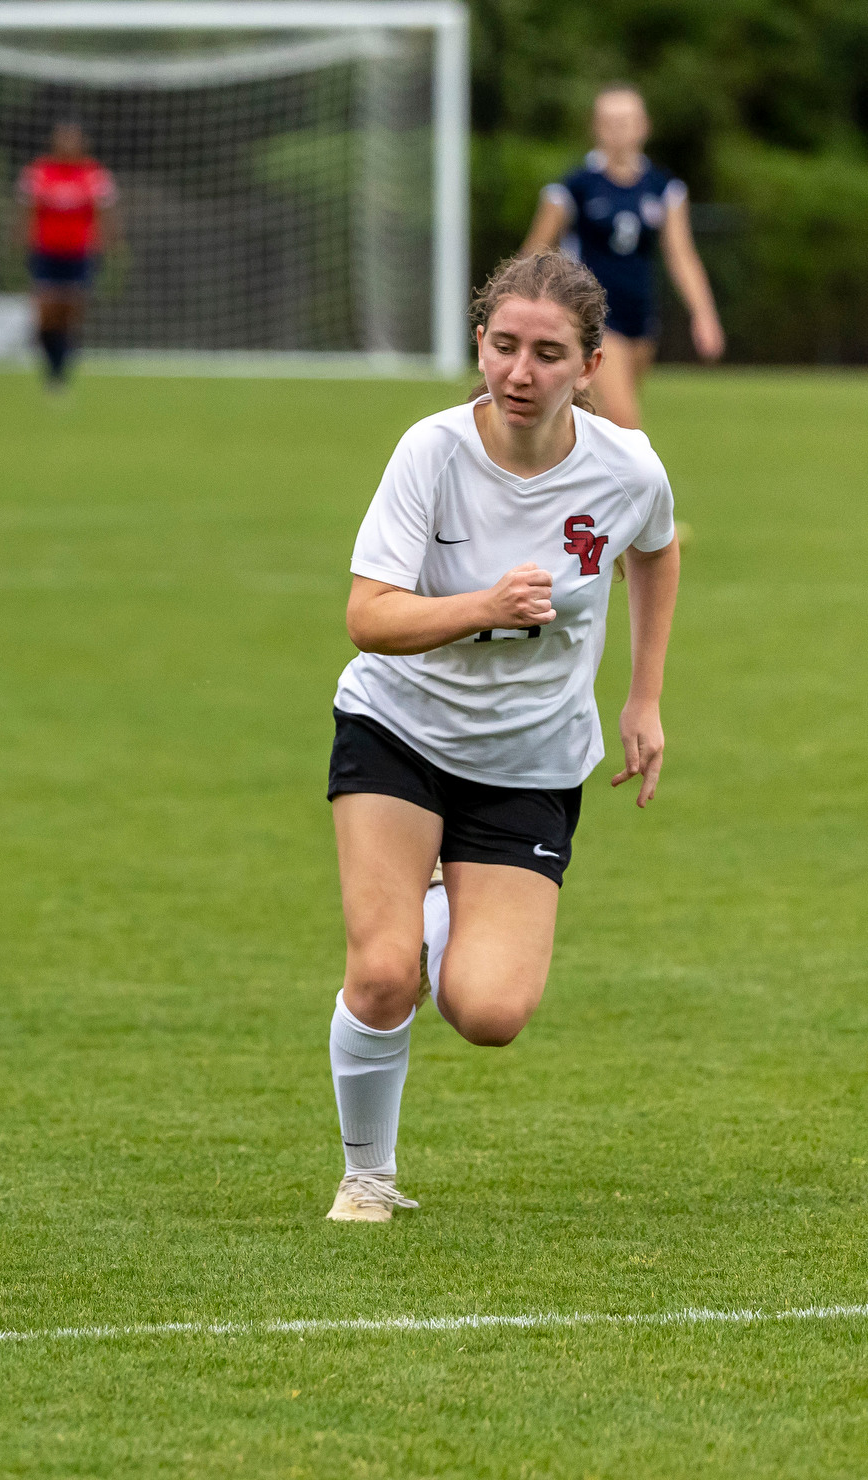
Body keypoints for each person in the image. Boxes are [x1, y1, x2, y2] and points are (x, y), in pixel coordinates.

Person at [322, 252, 679, 1222]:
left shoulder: (626, 468)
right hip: (397, 730)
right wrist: (482, 605)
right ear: (478, 343)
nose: (520, 372)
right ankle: (366, 1177)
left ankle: (441, 896)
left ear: (590, 365)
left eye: (548, 354)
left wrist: (642, 697)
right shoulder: (430, 453)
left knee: (488, 1011)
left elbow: (656, 549)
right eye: (504, 346)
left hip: (531, 757)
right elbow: (366, 616)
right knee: (382, 972)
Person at [521, 83, 723, 430]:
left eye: (626, 121)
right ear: (596, 128)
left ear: (644, 126)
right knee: (623, 420)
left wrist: (704, 314)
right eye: (610, 122)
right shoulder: (574, 188)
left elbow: (681, 256)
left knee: (598, 421)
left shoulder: (663, 188)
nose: (618, 130)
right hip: (592, 315)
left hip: (641, 317)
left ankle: (561, 461)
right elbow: (533, 255)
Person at [17, 121, 116, 390]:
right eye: (63, 139)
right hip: (46, 252)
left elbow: (104, 213)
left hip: (80, 253)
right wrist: (22, 240)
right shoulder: (39, 172)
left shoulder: (94, 175)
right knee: (47, 312)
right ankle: (52, 363)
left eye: (73, 139)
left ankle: (59, 372)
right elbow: (27, 211)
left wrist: (107, 244)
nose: (68, 144)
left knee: (71, 311)